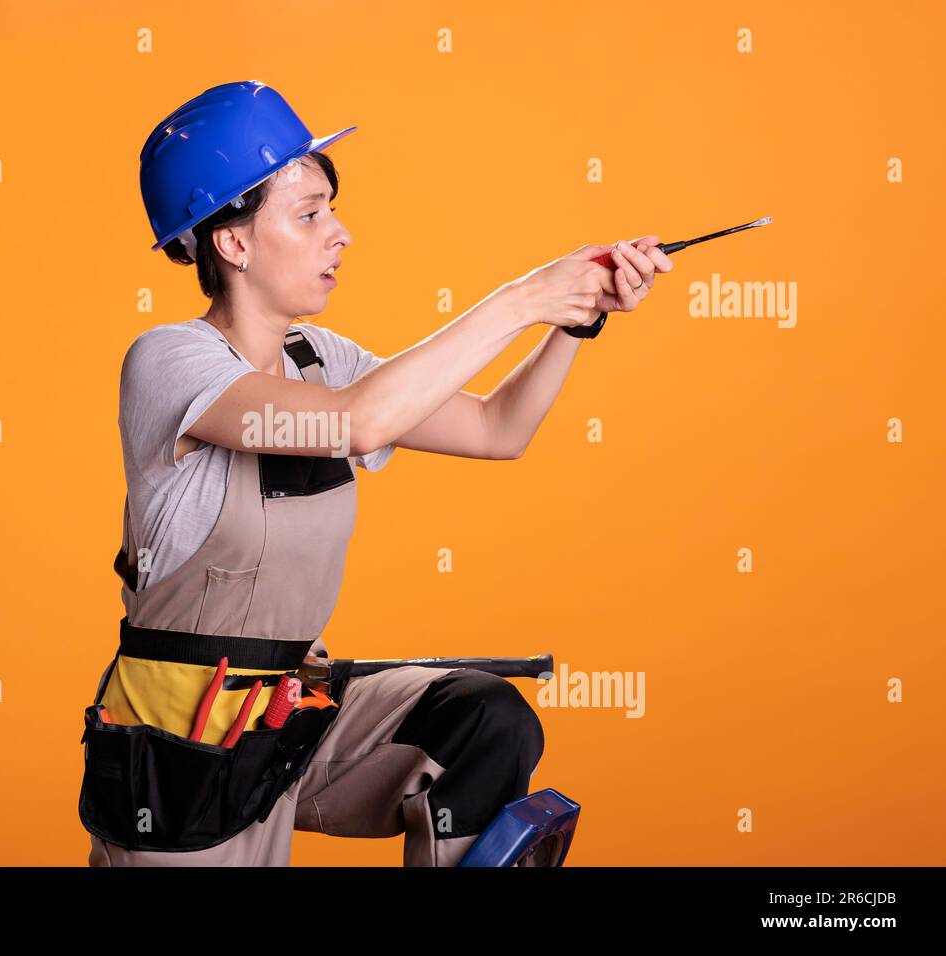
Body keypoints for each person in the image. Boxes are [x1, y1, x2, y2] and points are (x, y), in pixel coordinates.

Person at [79, 81, 673, 867]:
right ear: (234, 243)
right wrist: (522, 297)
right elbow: (358, 423)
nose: (341, 233)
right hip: (181, 754)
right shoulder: (169, 363)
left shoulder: (322, 362)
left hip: (289, 720)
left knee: (479, 721)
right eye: (310, 213)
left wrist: (573, 317)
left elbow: (500, 429)